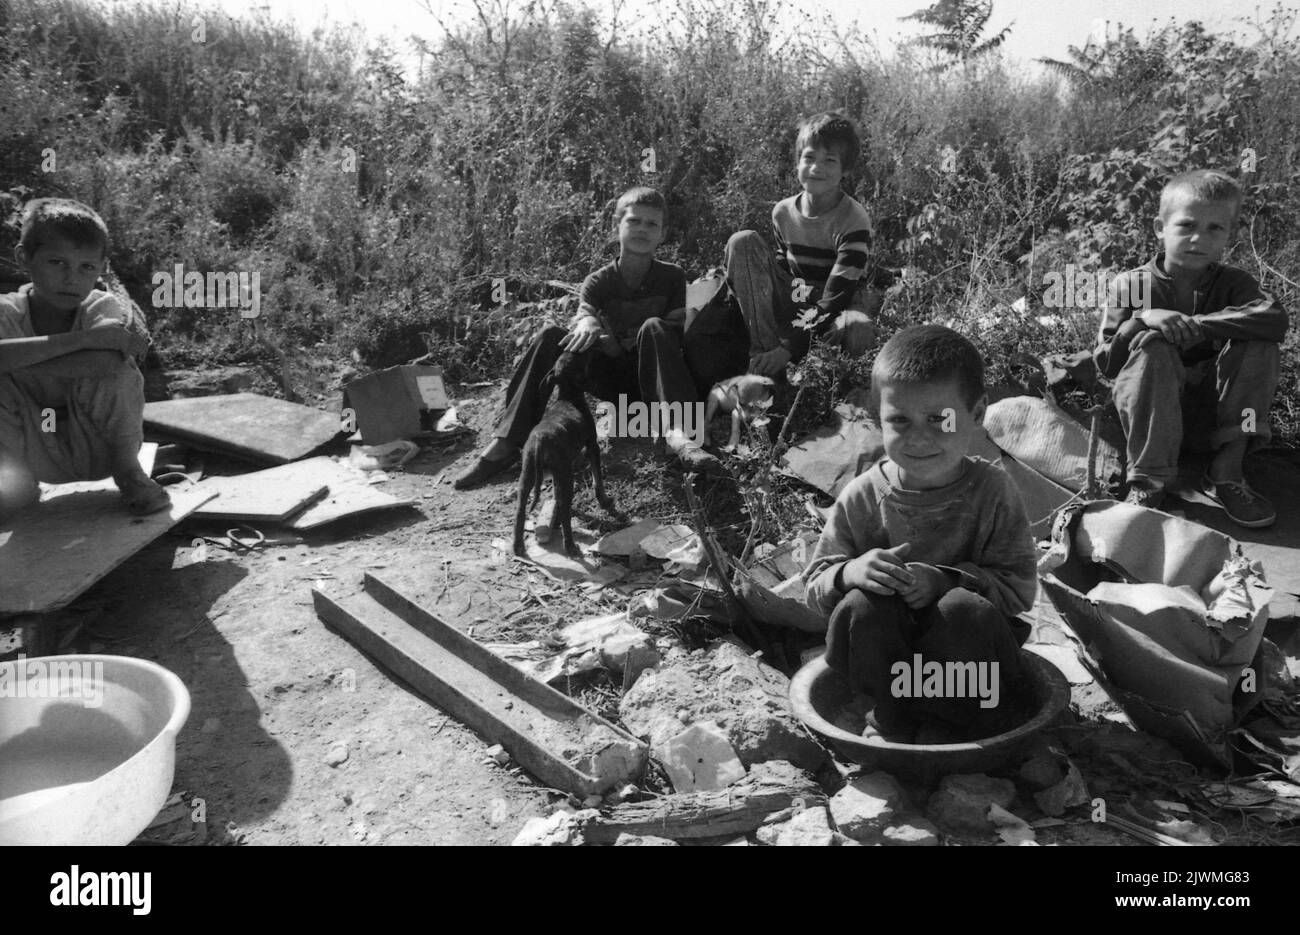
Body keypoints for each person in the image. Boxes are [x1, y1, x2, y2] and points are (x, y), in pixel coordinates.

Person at [803, 325, 1037, 743]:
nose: (920, 437)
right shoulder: (862, 496)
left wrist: (948, 579)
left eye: (939, 419)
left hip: (968, 668)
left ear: (978, 413)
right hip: (888, 669)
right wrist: (851, 572)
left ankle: (950, 723)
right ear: (879, 419)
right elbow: (815, 584)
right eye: (899, 420)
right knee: (863, 607)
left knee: (963, 611)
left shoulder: (993, 491)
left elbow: (1018, 592)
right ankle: (892, 715)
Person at [455, 186, 716, 489]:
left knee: (656, 327)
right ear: (617, 225)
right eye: (634, 221)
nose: (642, 229)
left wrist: (633, 337)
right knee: (551, 335)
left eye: (651, 224)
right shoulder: (598, 280)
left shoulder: (672, 276)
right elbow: (584, 312)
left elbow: (672, 335)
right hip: (611, 382)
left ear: (662, 234)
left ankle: (683, 436)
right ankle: (507, 443)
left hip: (654, 384)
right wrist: (589, 323)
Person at [1095, 169, 1288, 528]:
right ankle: (1149, 482)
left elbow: (1274, 318)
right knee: (1152, 344)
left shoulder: (1233, 283)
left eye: (1215, 228)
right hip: (1149, 422)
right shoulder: (1132, 284)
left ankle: (1227, 471)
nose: (1199, 238)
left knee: (1261, 345)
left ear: (1229, 235)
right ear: (1159, 228)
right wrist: (1143, 319)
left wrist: (1197, 325)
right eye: (1187, 225)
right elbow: (1105, 364)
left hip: (1213, 422)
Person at [0, 198, 169, 518]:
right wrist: (85, 340)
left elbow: (105, 364)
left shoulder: (102, 307)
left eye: (86, 267)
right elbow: (93, 350)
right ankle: (17, 486)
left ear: (102, 268)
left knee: (119, 370)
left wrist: (14, 359)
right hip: (28, 451)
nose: (71, 278)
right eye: (56, 262)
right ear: (24, 258)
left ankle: (130, 474)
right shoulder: (6, 310)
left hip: (99, 446)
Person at [706, 112, 877, 384]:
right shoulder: (782, 212)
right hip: (798, 298)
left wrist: (789, 348)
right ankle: (764, 362)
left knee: (858, 328)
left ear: (845, 170)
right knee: (743, 241)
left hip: (834, 305)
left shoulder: (854, 220)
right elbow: (784, 268)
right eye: (808, 158)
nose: (816, 168)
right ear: (797, 162)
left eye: (829, 160)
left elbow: (837, 296)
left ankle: (840, 392)